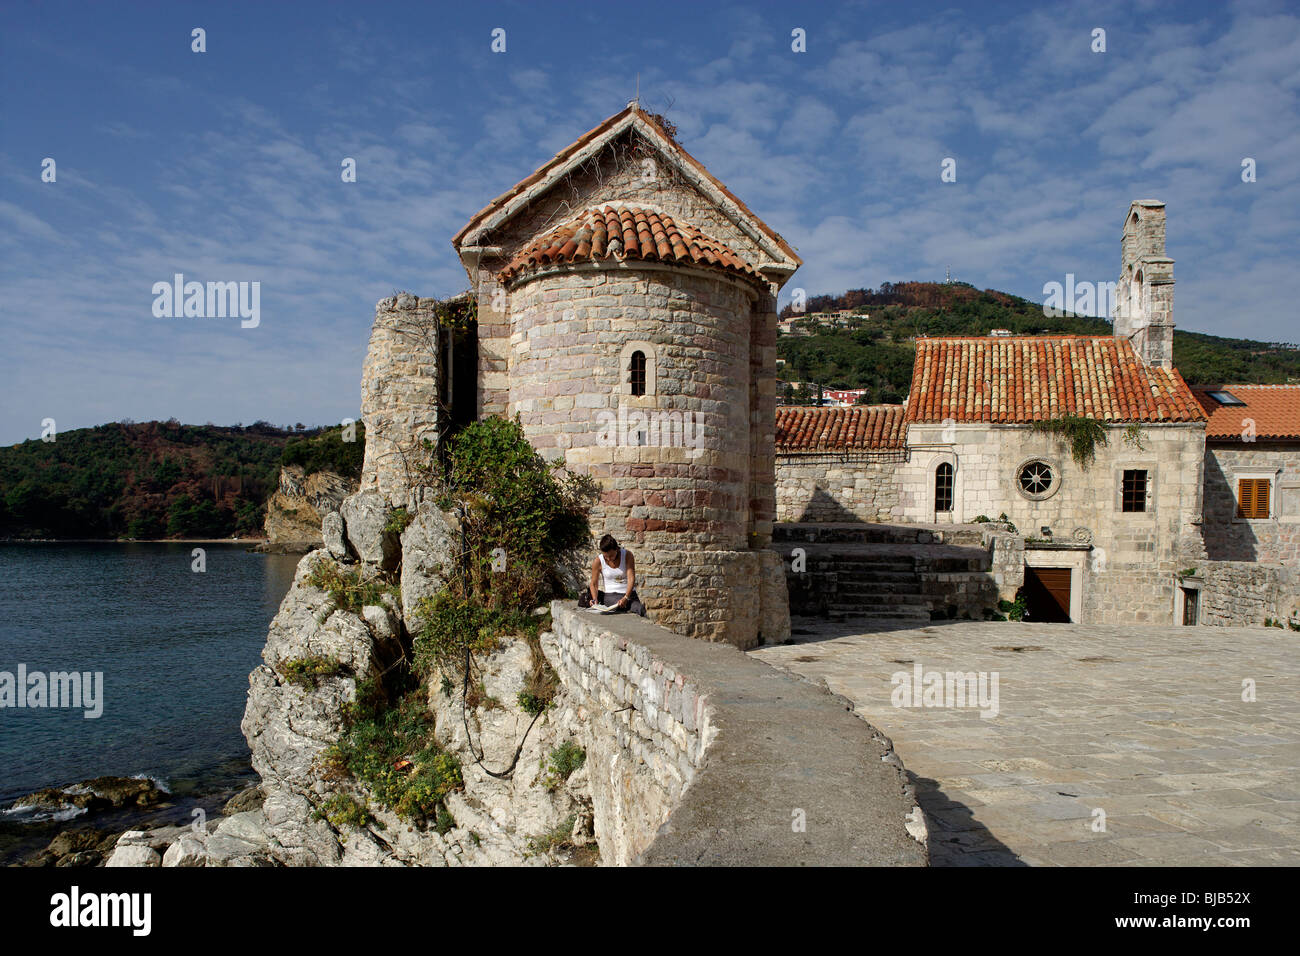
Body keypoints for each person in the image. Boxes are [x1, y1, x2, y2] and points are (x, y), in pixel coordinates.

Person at [581, 533, 646, 615]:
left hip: (629, 595)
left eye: (611, 556)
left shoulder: (627, 555)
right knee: (629, 606)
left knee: (640, 609)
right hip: (611, 595)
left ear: (616, 549)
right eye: (605, 556)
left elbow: (631, 578)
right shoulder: (598, 561)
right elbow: (593, 584)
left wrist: (626, 597)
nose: (608, 559)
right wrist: (595, 599)